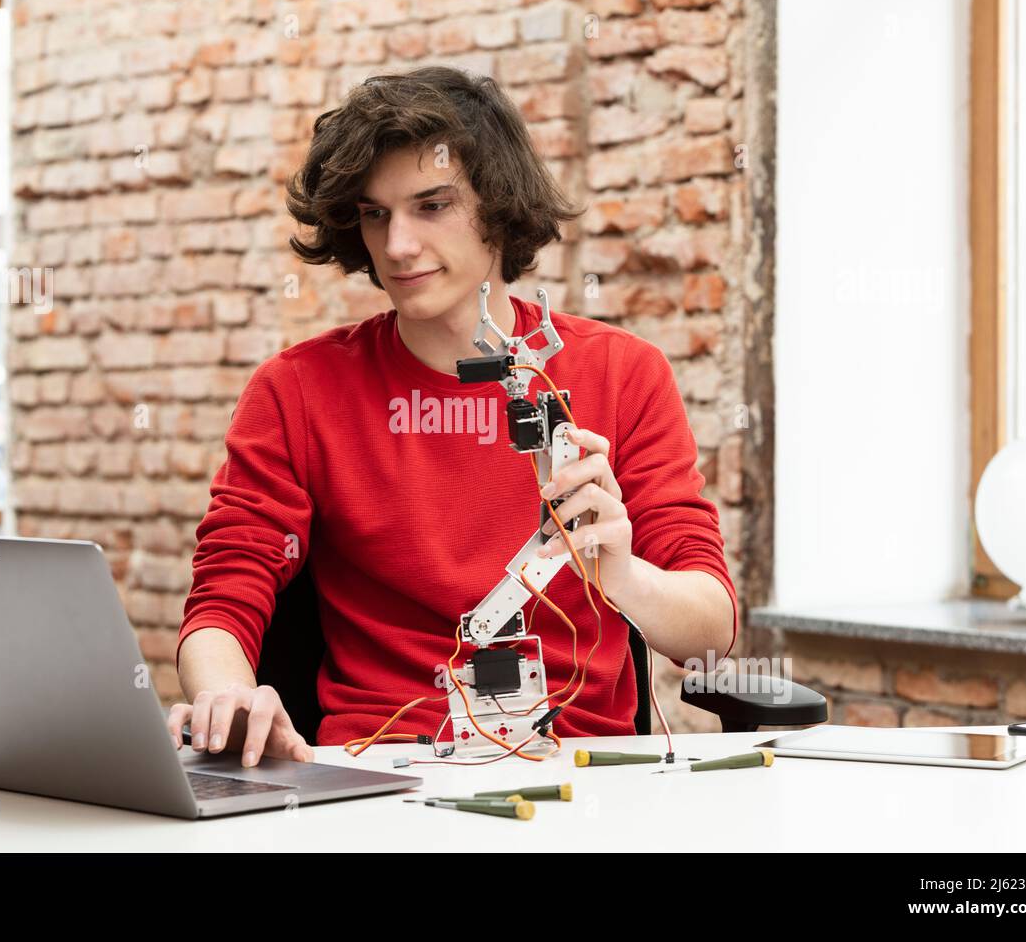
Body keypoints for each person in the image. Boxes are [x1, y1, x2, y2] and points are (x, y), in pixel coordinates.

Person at [168, 66, 736, 765]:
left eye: (431, 206)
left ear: (498, 208)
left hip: (586, 780)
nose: (397, 246)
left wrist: (622, 576)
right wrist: (228, 698)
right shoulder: (298, 391)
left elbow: (711, 633)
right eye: (375, 214)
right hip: (376, 770)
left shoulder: (623, 373)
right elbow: (224, 600)